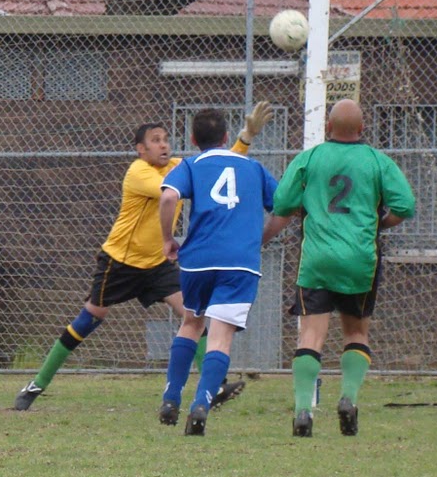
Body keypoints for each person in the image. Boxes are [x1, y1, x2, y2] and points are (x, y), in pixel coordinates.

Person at [14, 105, 273, 411]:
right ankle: (36, 385)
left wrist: (246, 136)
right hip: (121, 262)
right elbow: (178, 187)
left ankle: (211, 388)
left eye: (165, 138)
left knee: (194, 317)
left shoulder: (179, 165)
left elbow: (218, 166)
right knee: (89, 319)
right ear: (140, 149)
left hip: (158, 263)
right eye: (155, 140)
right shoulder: (138, 172)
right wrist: (239, 143)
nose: (163, 144)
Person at [263, 99, 415, 437]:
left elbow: (283, 205)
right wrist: (379, 224)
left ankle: (304, 411)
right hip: (360, 259)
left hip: (317, 259)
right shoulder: (378, 161)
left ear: (327, 128)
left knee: (311, 336)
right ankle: (348, 399)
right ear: (362, 130)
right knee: (356, 334)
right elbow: (406, 206)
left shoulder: (310, 158)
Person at [157, 109, 278, 436]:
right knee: (221, 335)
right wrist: (260, 240)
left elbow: (168, 196)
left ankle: (170, 398)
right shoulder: (254, 168)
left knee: (192, 322)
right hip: (239, 263)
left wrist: (168, 239)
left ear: (193, 140)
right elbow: (284, 208)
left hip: (198, 260)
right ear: (227, 137)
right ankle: (202, 402)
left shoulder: (191, 166)